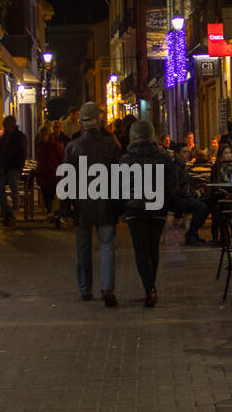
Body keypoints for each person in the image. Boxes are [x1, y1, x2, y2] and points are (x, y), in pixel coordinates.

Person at [65, 101, 122, 305]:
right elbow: (118, 177)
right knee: (107, 245)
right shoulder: (110, 145)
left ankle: (85, 289)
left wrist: (65, 208)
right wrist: (119, 204)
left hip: (82, 206)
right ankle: (107, 288)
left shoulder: (72, 147)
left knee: (83, 247)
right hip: (106, 204)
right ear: (99, 121)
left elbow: (67, 181)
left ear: (81, 123)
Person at [120, 121, 177, 307]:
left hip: (134, 209)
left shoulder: (126, 159)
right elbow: (172, 186)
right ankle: (151, 286)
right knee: (153, 247)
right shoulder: (164, 158)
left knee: (141, 249)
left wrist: (121, 208)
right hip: (157, 208)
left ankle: (149, 287)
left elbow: (120, 186)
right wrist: (172, 206)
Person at [168, 139, 210, 245]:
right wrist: (194, 194)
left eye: (188, 152)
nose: (187, 154)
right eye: (184, 152)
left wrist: (194, 192)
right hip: (178, 201)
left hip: (185, 197)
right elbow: (177, 191)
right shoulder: (175, 169)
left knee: (209, 203)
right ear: (176, 154)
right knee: (202, 207)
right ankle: (191, 236)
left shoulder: (183, 166)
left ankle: (193, 234)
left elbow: (185, 186)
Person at [0, 114, 27, 228]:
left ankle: (12, 215)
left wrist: (18, 167)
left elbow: (22, 154)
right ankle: (10, 212)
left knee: (14, 192)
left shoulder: (20, 137)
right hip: (3, 168)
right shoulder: (4, 137)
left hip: (13, 169)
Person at [35, 120, 66, 226]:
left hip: (53, 173)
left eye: (46, 134)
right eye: (43, 134)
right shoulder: (39, 145)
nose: (44, 136)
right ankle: (50, 212)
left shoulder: (54, 144)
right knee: (45, 193)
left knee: (52, 194)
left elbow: (61, 156)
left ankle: (53, 213)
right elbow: (38, 158)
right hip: (43, 173)